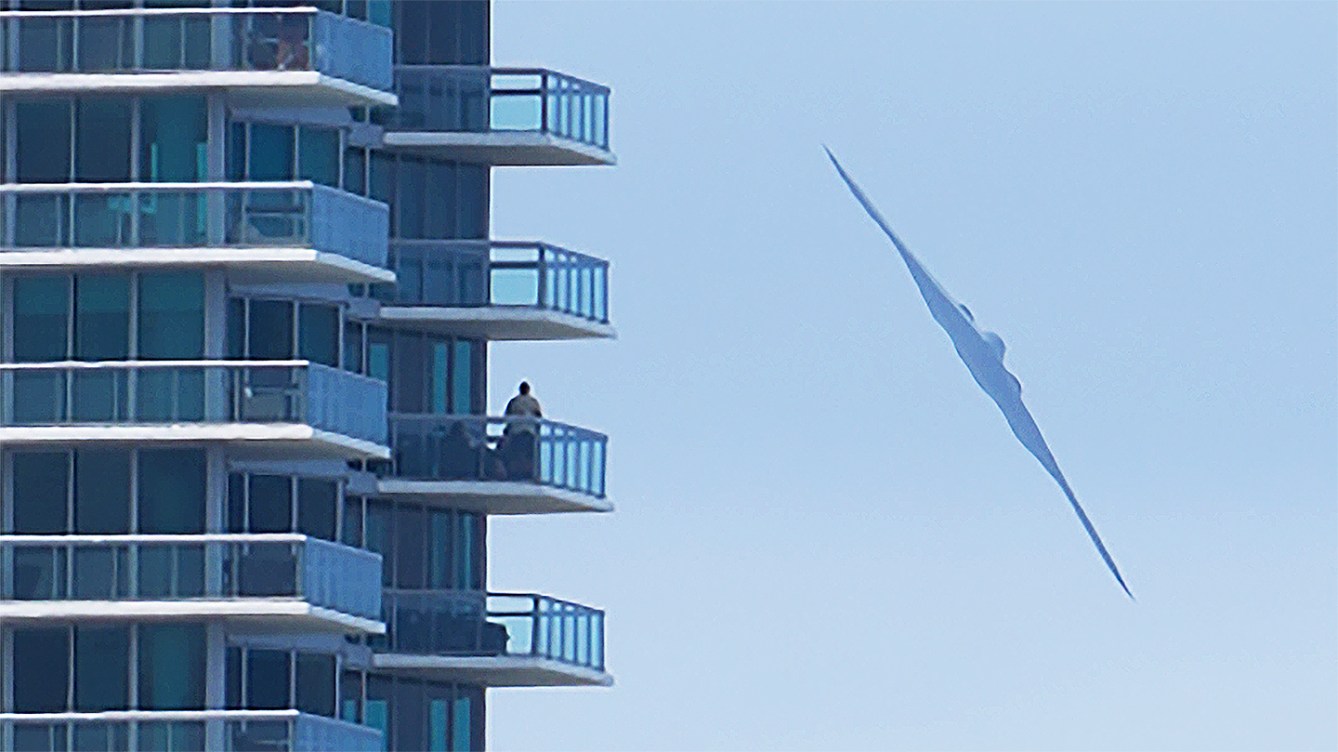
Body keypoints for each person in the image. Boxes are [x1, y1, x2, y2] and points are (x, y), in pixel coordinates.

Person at [501, 382, 542, 479]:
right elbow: (539, 418)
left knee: (519, 455)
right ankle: (528, 474)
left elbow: (507, 417)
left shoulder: (514, 402)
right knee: (525, 455)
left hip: (518, 433)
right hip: (527, 433)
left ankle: (520, 473)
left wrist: (507, 430)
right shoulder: (533, 402)